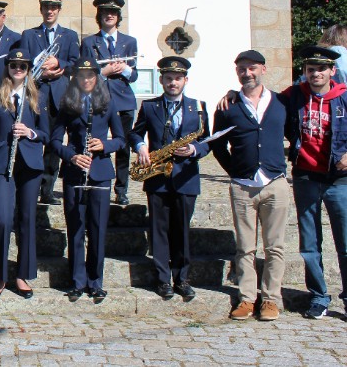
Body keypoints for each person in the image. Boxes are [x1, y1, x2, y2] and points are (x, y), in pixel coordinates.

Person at [210, 50, 290, 322]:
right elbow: (217, 144)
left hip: (275, 183)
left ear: (263, 70)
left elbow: (296, 134)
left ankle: (270, 299)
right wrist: (234, 170)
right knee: (245, 246)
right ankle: (246, 298)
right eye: (242, 69)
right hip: (243, 186)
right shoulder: (228, 107)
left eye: (252, 68)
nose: (247, 73)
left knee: (275, 246)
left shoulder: (281, 103)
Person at [130, 57, 210, 302]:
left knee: (182, 231)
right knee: (159, 230)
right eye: (168, 78)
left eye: (177, 78)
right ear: (161, 80)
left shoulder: (198, 106)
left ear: (185, 80)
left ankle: (182, 278)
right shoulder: (150, 106)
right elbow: (135, 132)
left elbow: (207, 142)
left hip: (186, 177)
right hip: (157, 177)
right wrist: (141, 146)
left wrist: (194, 150)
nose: (173, 82)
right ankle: (163, 279)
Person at [50, 58, 126, 304]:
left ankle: (96, 281)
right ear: (76, 79)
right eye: (82, 76)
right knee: (76, 230)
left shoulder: (107, 103)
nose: (86, 80)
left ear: (96, 77)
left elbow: (121, 139)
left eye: (91, 75)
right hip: (75, 172)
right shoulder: (67, 105)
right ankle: (77, 281)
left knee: (97, 230)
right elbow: (54, 140)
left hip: (100, 171)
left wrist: (105, 145)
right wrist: (71, 156)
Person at [280, 46, 347, 320]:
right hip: (306, 177)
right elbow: (260, 100)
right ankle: (319, 297)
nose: (316, 73)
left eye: (321, 69)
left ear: (332, 71)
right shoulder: (294, 96)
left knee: (345, 243)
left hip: (339, 180)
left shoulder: (344, 98)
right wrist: (233, 95)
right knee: (309, 243)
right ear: (304, 73)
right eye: (310, 69)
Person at [0, 49, 48, 305]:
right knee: (4, 219)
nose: (18, 68)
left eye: (22, 65)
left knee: (28, 219)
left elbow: (47, 133)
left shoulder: (37, 96)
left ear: (28, 68)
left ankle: (23, 274)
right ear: (7, 67)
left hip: (29, 165)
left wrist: (31, 133)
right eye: (13, 64)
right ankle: (1, 276)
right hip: (1, 166)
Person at [19, 0, 80, 205]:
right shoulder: (29, 34)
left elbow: (76, 63)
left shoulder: (70, 36)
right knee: (34, 140)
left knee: (54, 143)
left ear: (59, 10)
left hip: (58, 96)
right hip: (36, 94)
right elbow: (24, 64)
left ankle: (48, 189)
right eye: (46, 7)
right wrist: (41, 73)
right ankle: (31, 184)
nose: (50, 11)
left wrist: (58, 63)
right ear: (41, 9)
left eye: (53, 8)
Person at [80, 0, 138, 206]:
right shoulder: (88, 42)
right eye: (105, 13)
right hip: (98, 101)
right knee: (95, 143)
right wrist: (103, 72)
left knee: (122, 147)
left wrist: (125, 68)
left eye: (113, 13)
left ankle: (121, 189)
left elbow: (134, 76)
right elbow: (83, 73)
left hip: (123, 101)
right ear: (100, 16)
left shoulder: (129, 42)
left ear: (118, 17)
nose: (109, 16)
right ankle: (93, 181)